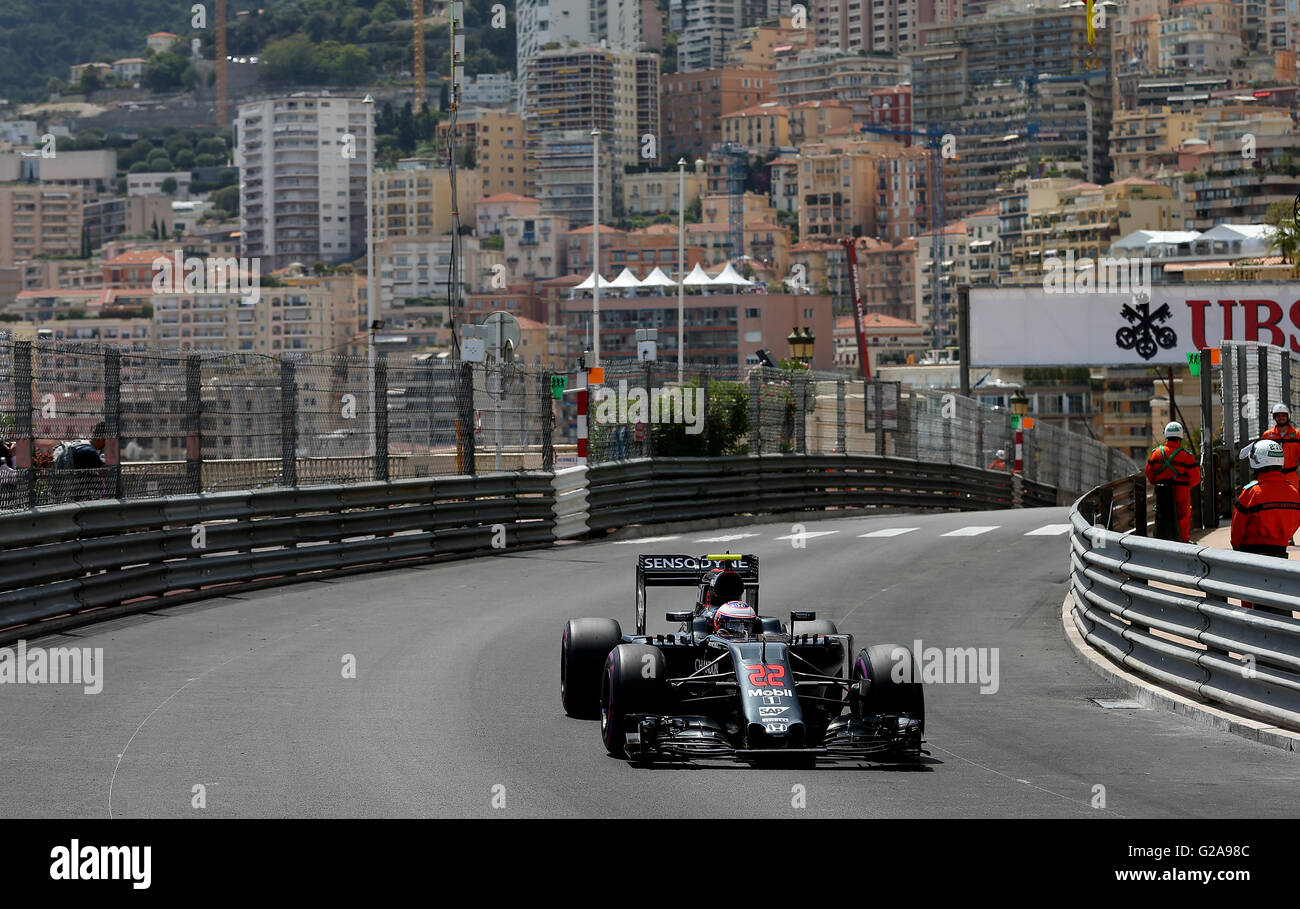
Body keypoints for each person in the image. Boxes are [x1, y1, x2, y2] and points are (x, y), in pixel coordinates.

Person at [1231, 440, 1300, 608]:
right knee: (1278, 603)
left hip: (1251, 556)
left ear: (1256, 462)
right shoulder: (1293, 491)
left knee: (1251, 607)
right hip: (1280, 554)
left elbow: (1237, 531)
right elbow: (1295, 523)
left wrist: (1238, 548)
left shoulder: (1251, 492)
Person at [1145, 421, 1201, 543]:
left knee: (1161, 514)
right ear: (1180, 437)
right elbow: (1196, 478)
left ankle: (1162, 540)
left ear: (1166, 435)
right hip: (1181, 491)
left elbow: (1149, 474)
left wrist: (1159, 482)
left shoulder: (1156, 454)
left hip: (1162, 491)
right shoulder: (1186, 456)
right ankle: (1183, 541)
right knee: (1183, 516)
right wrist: (1185, 484)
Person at [51, 421, 107, 502]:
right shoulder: (91, 453)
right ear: (102, 439)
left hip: (65, 489)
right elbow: (102, 476)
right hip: (75, 495)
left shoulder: (81, 443)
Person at [1260, 403, 1300, 492]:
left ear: (1288, 416)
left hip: (1291, 476)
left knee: (1292, 500)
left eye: (1283, 415)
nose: (1281, 418)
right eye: (1278, 416)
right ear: (1274, 417)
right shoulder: (1267, 435)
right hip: (1271, 476)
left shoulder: (1297, 435)